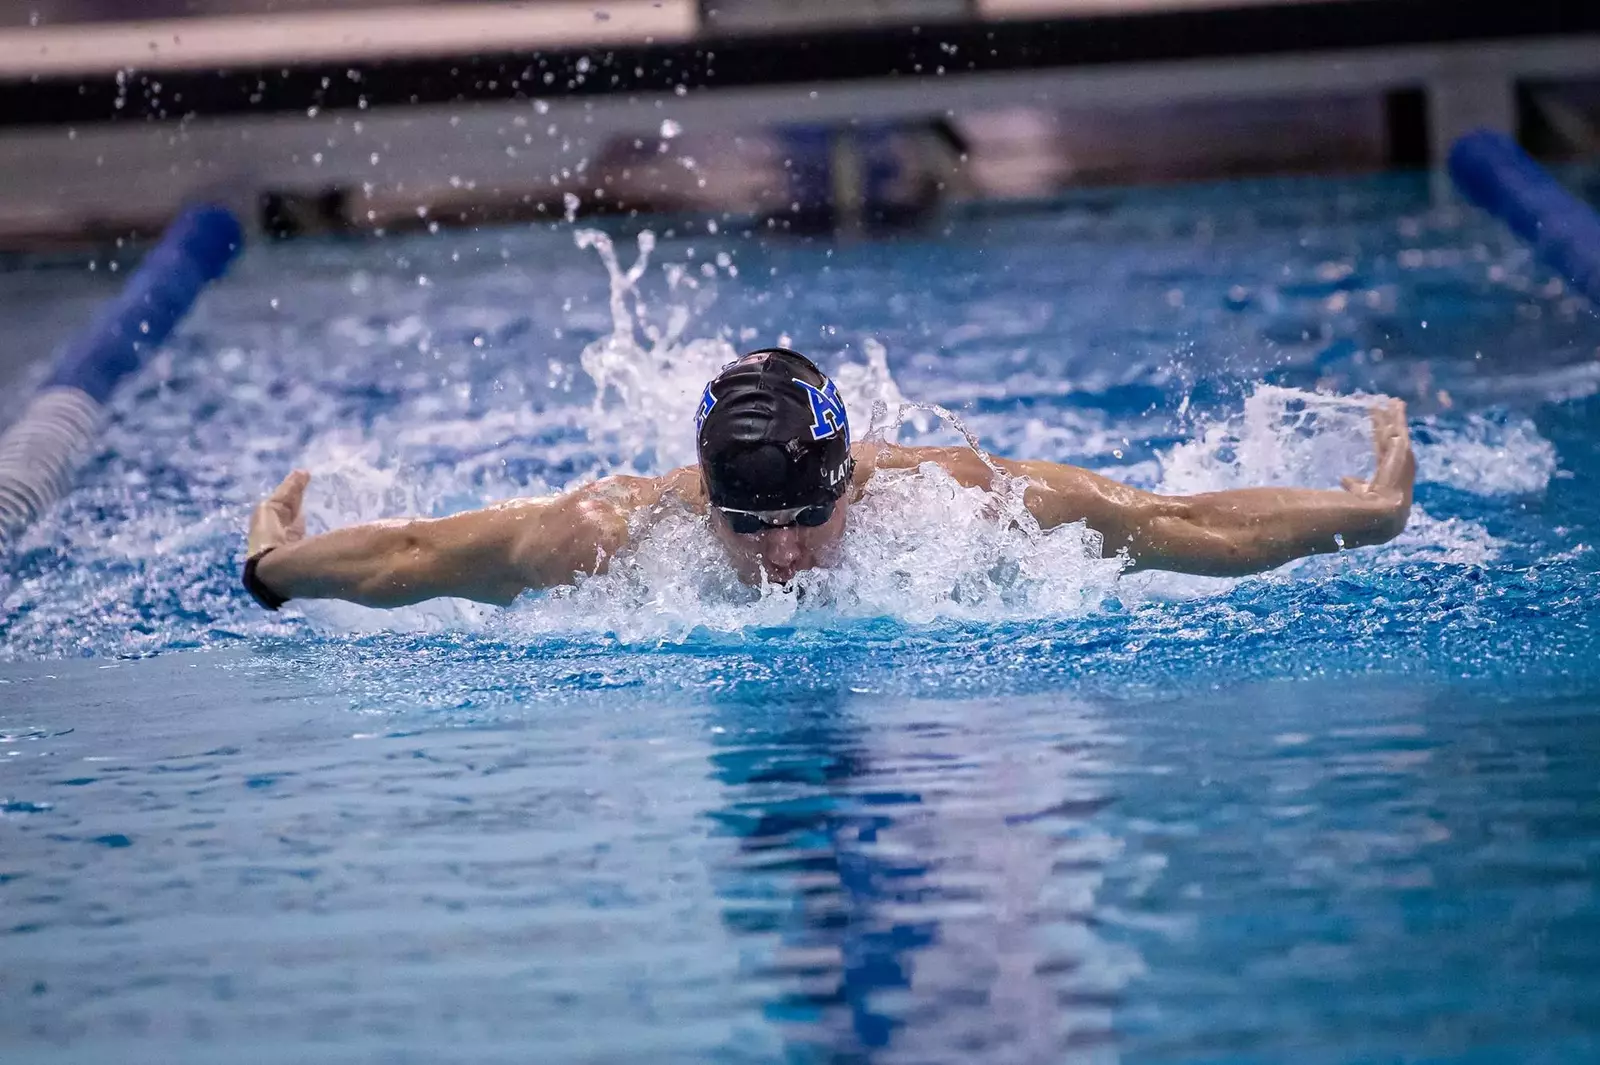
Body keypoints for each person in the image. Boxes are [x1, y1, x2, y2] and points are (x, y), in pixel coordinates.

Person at [241, 347, 1415, 611]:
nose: (787, 555)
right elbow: (415, 554)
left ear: (854, 478)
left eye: (811, 513)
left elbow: (1174, 522)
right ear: (706, 501)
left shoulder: (957, 504)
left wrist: (1369, 511)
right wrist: (272, 565)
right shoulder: (605, 533)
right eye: (750, 525)